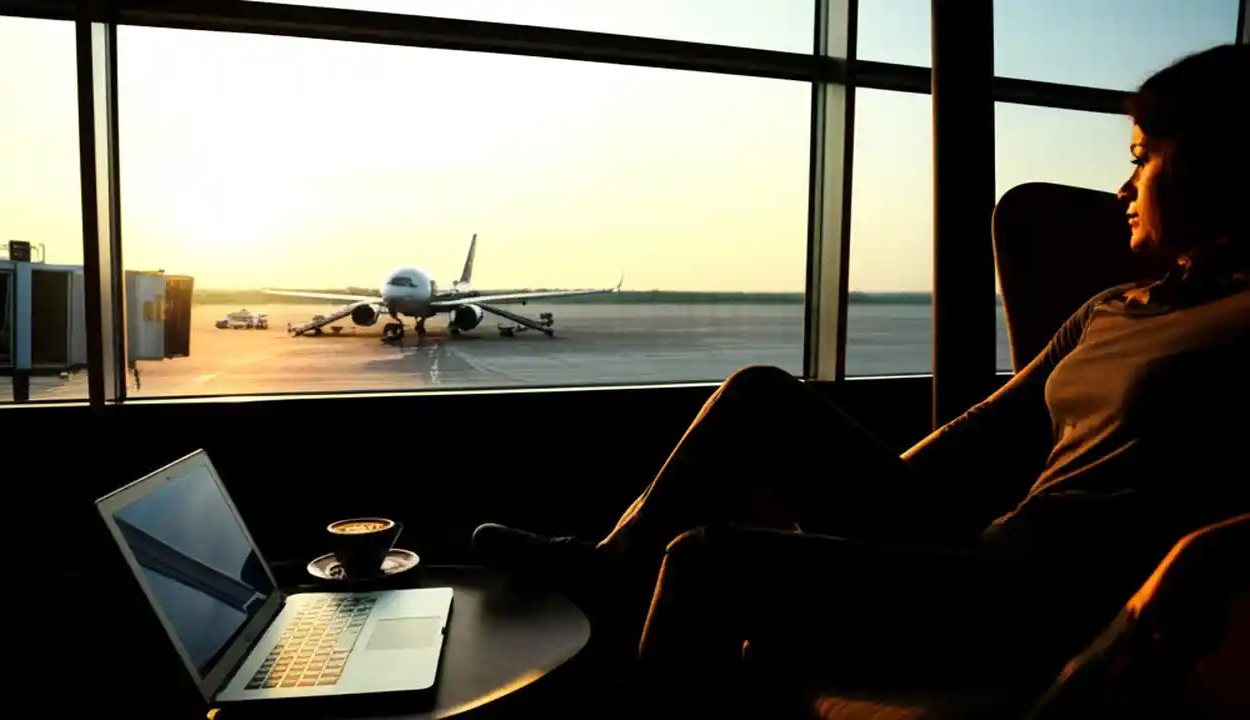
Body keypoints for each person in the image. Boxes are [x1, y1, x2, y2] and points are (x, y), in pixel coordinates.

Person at [472, 43, 1250, 715]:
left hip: (1043, 600)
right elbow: (987, 430)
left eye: (1140, 159)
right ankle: (613, 568)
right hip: (990, 551)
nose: (1121, 190)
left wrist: (1205, 556)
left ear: (1212, 164)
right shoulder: (1111, 308)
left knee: (707, 564)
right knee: (760, 395)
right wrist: (852, 508)